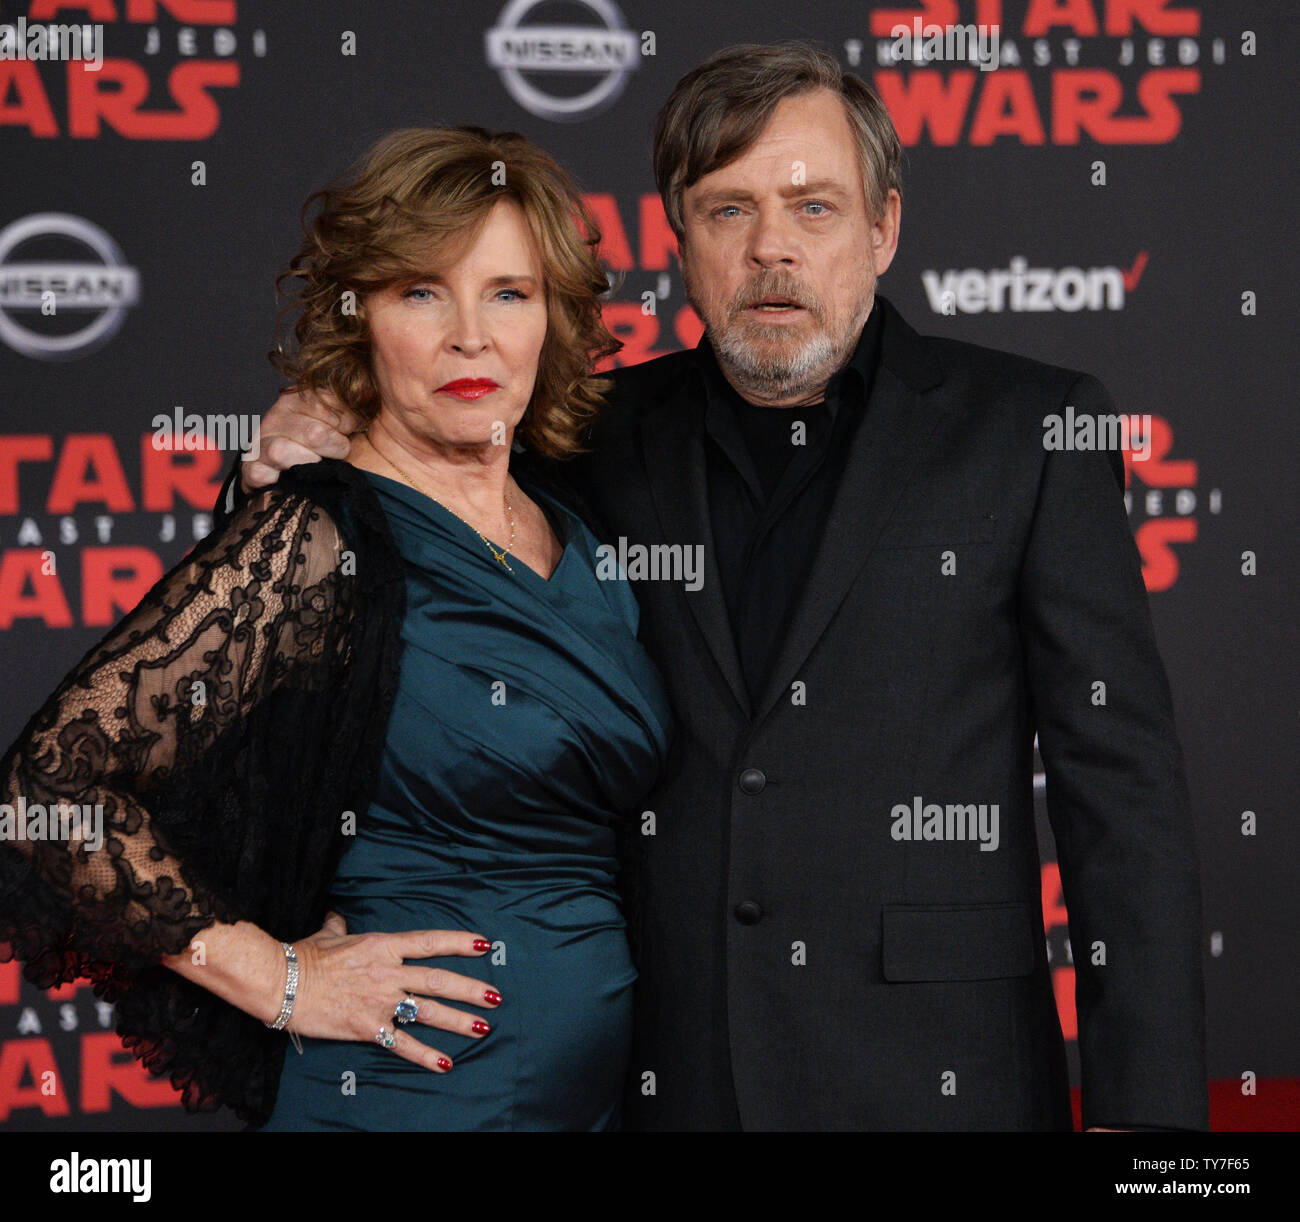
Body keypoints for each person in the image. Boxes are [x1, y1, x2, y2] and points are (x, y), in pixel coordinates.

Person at [226, 42, 1209, 1132]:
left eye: (813, 207)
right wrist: (295, 449)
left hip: (940, 1071)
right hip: (658, 1067)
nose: (771, 249)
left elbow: (1122, 793)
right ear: (678, 240)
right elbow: (336, 620)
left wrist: (1145, 1120)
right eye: (728, 210)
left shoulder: (1028, 431)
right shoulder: (576, 437)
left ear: (882, 227)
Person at [0, 126, 671, 1132]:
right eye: (419, 292)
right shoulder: (319, 534)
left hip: (592, 1104)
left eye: (508, 292)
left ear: (556, 319)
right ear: (360, 321)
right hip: (399, 1100)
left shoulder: (574, 527)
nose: (468, 336)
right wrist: (277, 978)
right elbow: (47, 792)